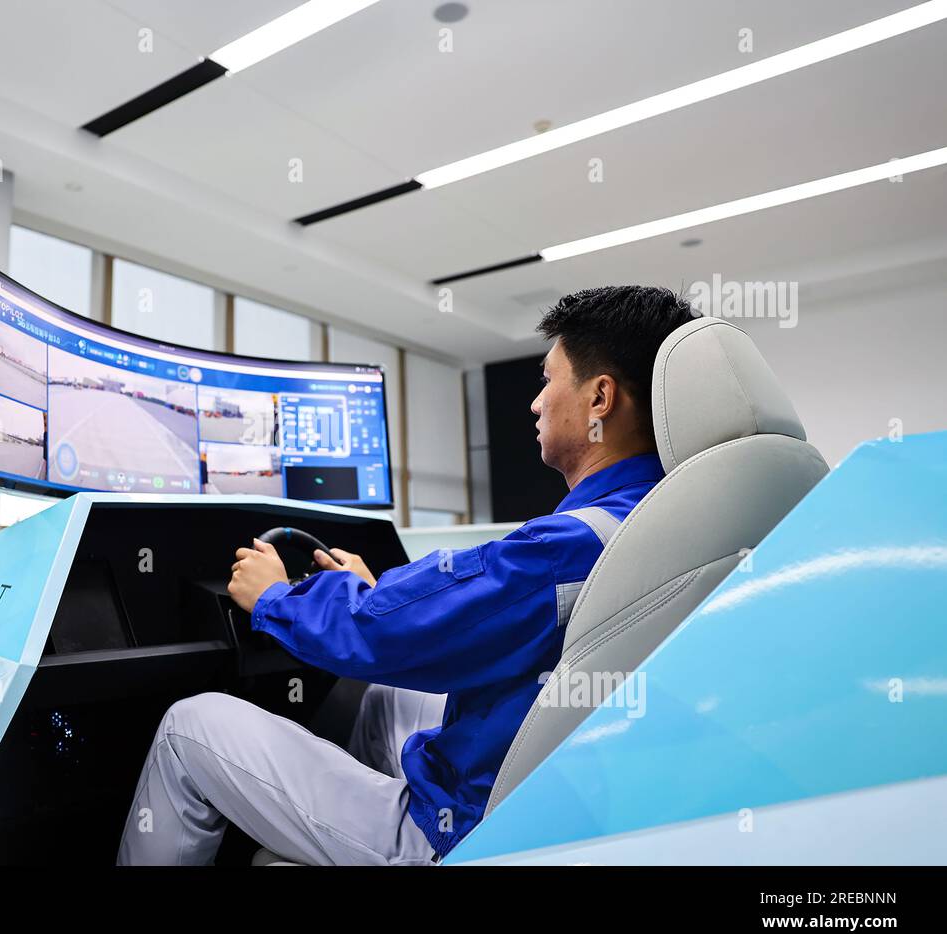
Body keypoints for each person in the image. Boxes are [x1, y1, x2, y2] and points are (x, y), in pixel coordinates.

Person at [117, 286, 698, 865]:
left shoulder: (569, 545)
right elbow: (456, 608)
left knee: (189, 726)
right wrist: (377, 597)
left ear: (600, 399)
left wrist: (273, 596)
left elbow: (381, 631)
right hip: (556, 791)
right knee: (383, 701)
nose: (535, 403)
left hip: (462, 832)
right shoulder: (659, 515)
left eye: (549, 380)